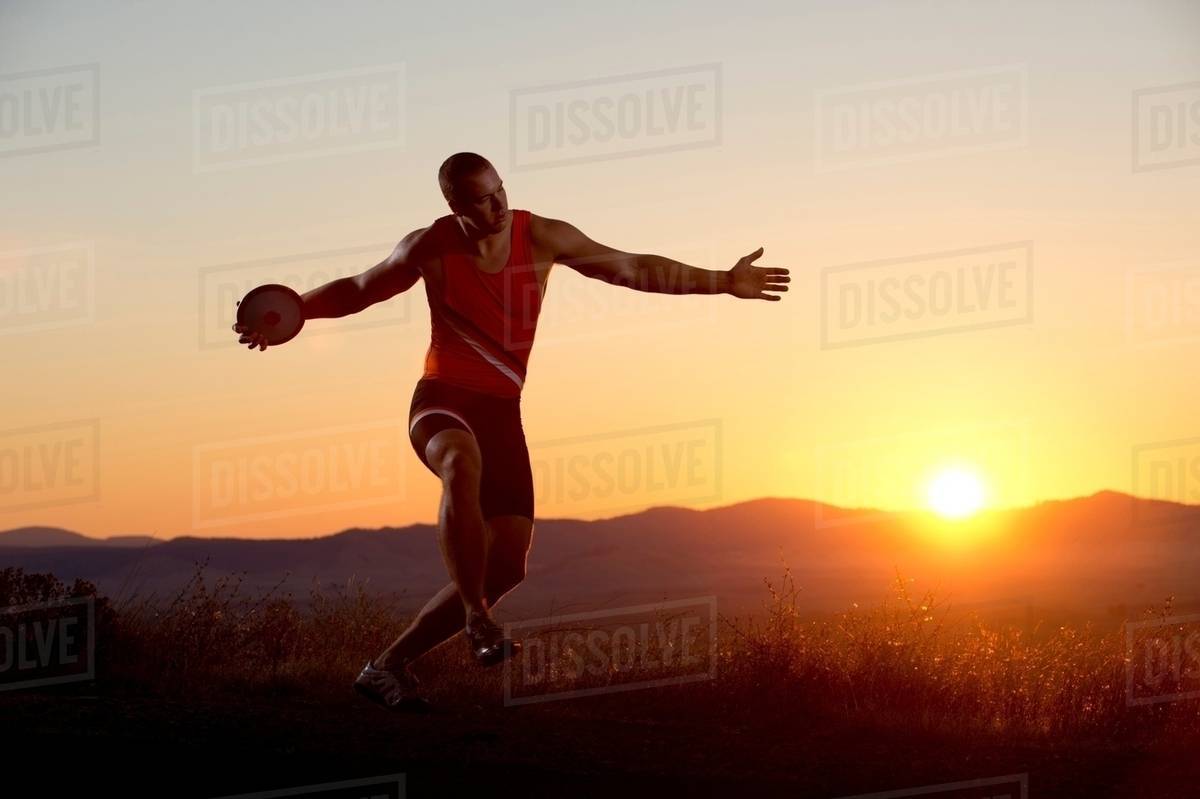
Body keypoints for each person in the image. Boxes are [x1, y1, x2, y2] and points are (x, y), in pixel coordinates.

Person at [232, 152, 790, 711]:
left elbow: (632, 266)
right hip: (442, 399)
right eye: (481, 198)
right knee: (459, 462)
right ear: (454, 204)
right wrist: (291, 311)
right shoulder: (430, 245)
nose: (497, 205)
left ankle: (384, 667)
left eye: (500, 191)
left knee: (508, 565)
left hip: (503, 410)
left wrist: (722, 281)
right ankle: (477, 616)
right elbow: (360, 288)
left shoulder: (542, 235)